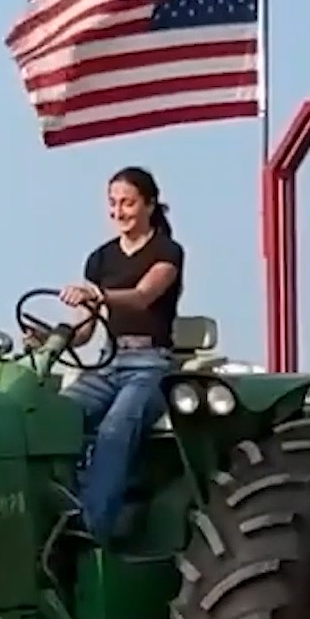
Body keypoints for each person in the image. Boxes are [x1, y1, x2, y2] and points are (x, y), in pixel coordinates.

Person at [59, 165, 184, 543]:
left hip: (149, 364)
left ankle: (91, 526)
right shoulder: (100, 259)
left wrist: (99, 296)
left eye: (128, 203)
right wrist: (53, 337)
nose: (119, 212)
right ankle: (56, 508)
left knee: (116, 429)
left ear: (149, 204)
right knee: (55, 418)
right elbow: (84, 331)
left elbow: (144, 296)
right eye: (113, 204)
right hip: (107, 362)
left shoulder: (166, 251)